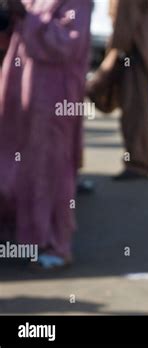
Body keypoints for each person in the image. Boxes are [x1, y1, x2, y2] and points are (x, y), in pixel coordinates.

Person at [0, 0, 92, 269]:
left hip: (54, 98)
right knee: (14, 165)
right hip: (20, 92)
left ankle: (54, 244)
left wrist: (28, 19)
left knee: (51, 169)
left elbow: (68, 43)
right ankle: (22, 240)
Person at [108, 0, 148, 180]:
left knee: (134, 110)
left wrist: (115, 50)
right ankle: (145, 156)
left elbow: (123, 18)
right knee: (141, 108)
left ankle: (137, 162)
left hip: (137, 50)